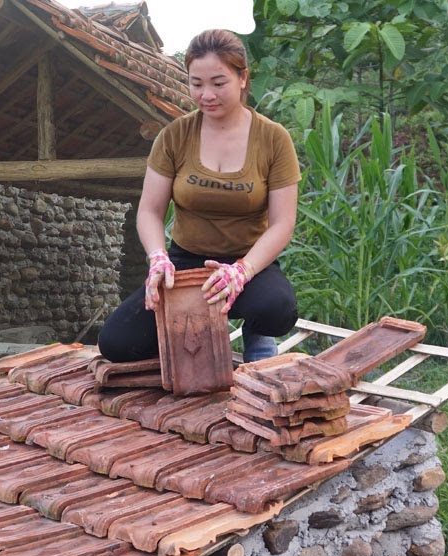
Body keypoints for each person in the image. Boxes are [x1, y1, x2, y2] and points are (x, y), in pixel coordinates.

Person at [98, 29, 300, 364]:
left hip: (247, 264)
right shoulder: (174, 136)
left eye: (218, 83)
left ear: (242, 78)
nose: (206, 95)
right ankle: (186, 333)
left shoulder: (273, 139)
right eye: (196, 84)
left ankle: (256, 333)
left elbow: (282, 223)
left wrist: (242, 270)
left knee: (276, 309)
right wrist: (157, 259)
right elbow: (149, 210)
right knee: (117, 343)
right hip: (185, 263)